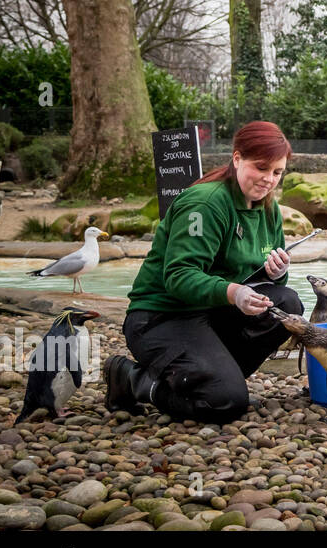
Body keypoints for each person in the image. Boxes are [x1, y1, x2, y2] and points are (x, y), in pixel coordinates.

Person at [105, 121, 304, 422]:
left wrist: (275, 273)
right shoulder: (205, 204)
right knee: (224, 402)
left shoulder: (268, 208)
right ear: (237, 159)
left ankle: (213, 374)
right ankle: (134, 380)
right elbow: (180, 275)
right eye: (261, 168)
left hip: (212, 311)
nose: (269, 180)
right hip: (163, 316)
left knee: (286, 304)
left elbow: (262, 280)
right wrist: (235, 292)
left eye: (277, 172)